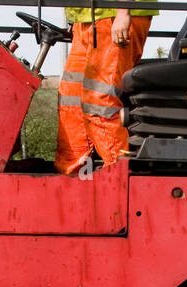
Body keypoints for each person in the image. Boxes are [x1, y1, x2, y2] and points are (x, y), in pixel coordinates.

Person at [55, 2, 156, 175]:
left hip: (114, 15)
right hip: (87, 19)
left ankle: (118, 175)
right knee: (70, 103)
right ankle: (73, 177)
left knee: (100, 101)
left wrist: (123, 12)